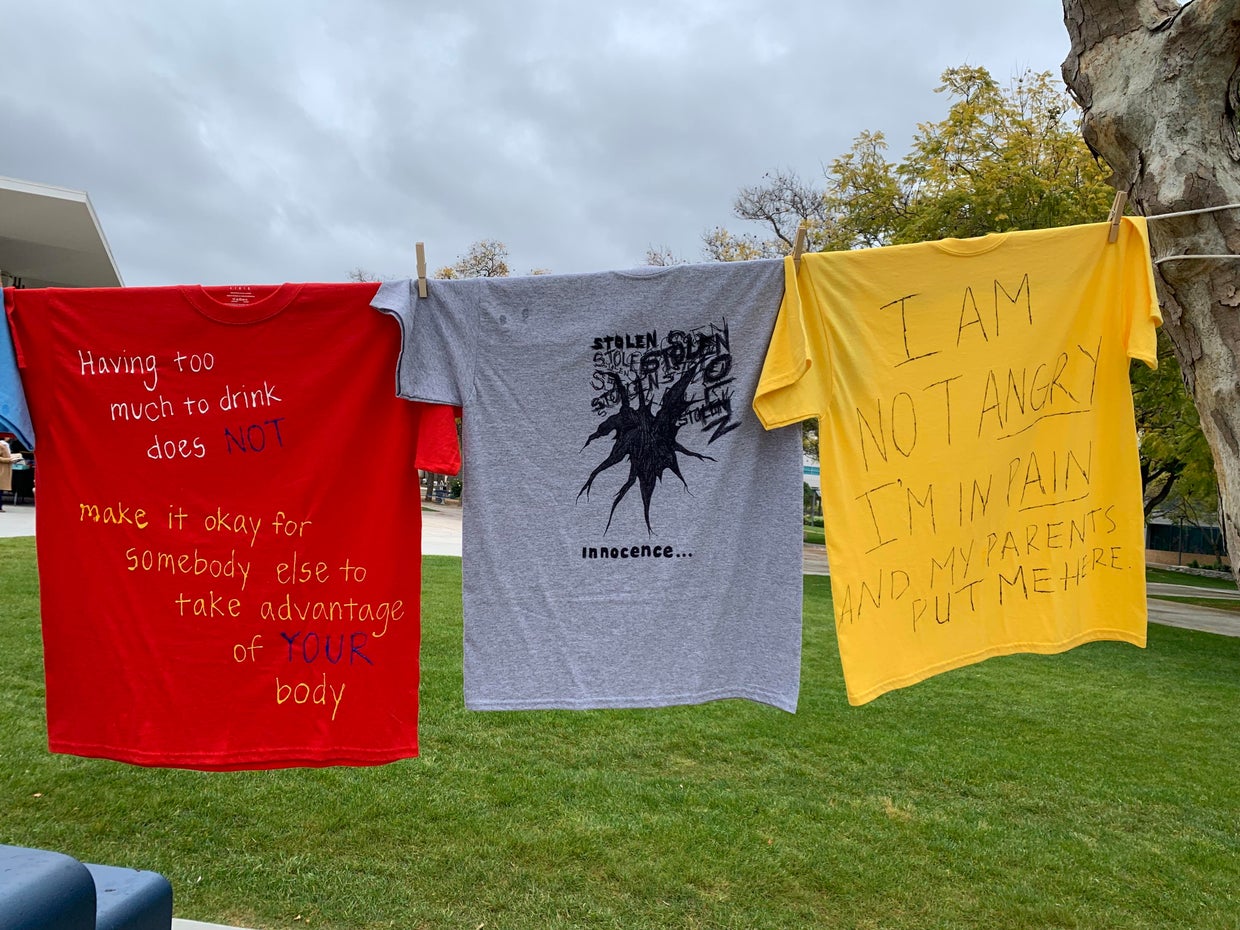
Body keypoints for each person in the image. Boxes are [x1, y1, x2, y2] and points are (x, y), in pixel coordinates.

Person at [0, 437, 22, 512]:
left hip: (5, 468)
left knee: (1, 489)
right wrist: (9, 459)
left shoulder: (6, 445)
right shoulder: (1, 445)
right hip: (2, 469)